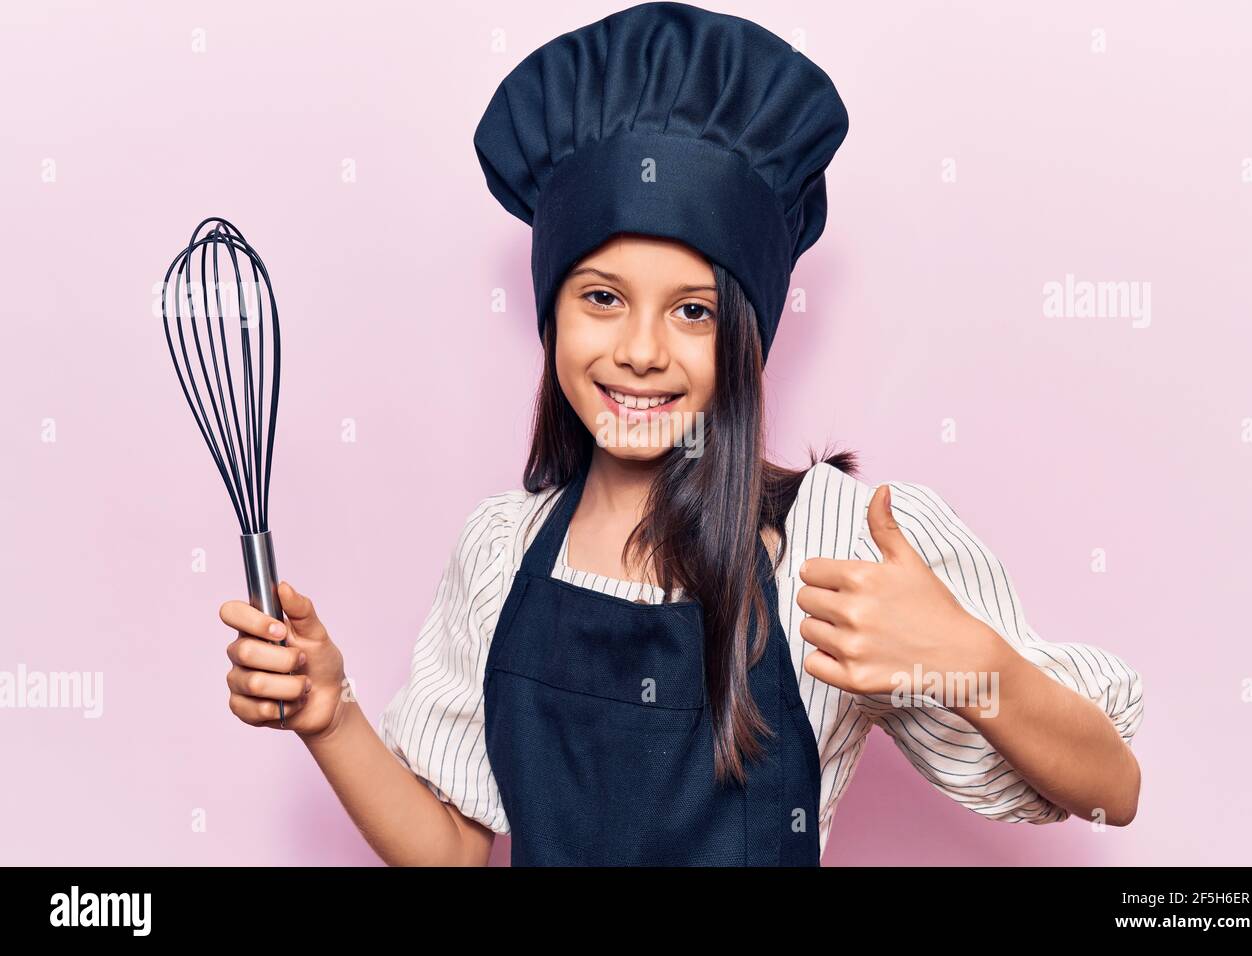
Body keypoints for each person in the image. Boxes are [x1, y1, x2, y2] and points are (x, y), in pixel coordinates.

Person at [219, 1, 1143, 867]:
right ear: (553, 315)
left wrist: (969, 661)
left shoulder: (837, 543)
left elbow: (1112, 790)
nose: (641, 351)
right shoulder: (504, 550)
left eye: (693, 310)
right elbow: (456, 847)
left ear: (742, 336)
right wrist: (327, 713)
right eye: (602, 298)